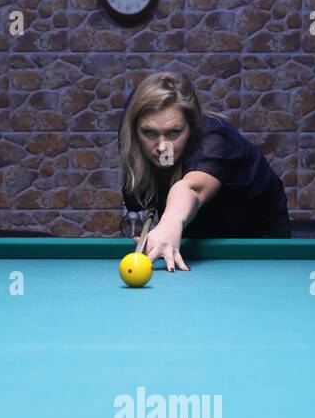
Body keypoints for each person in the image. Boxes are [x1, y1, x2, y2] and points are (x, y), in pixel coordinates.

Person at [119, 72, 291, 272]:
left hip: (258, 234)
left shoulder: (213, 140)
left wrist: (169, 222)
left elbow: (191, 188)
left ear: (192, 126)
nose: (162, 147)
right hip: (199, 226)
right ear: (135, 130)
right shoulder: (134, 145)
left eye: (174, 132)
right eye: (149, 132)